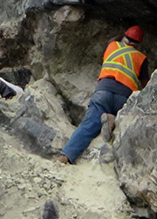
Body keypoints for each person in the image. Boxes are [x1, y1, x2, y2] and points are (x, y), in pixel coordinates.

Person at [57, 25, 150, 164]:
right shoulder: (141, 58)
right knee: (124, 122)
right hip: (123, 97)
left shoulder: (112, 46)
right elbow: (146, 85)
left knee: (88, 125)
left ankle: (66, 156)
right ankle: (112, 119)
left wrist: (122, 34)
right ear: (138, 44)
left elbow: (114, 39)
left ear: (124, 37)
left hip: (103, 91)